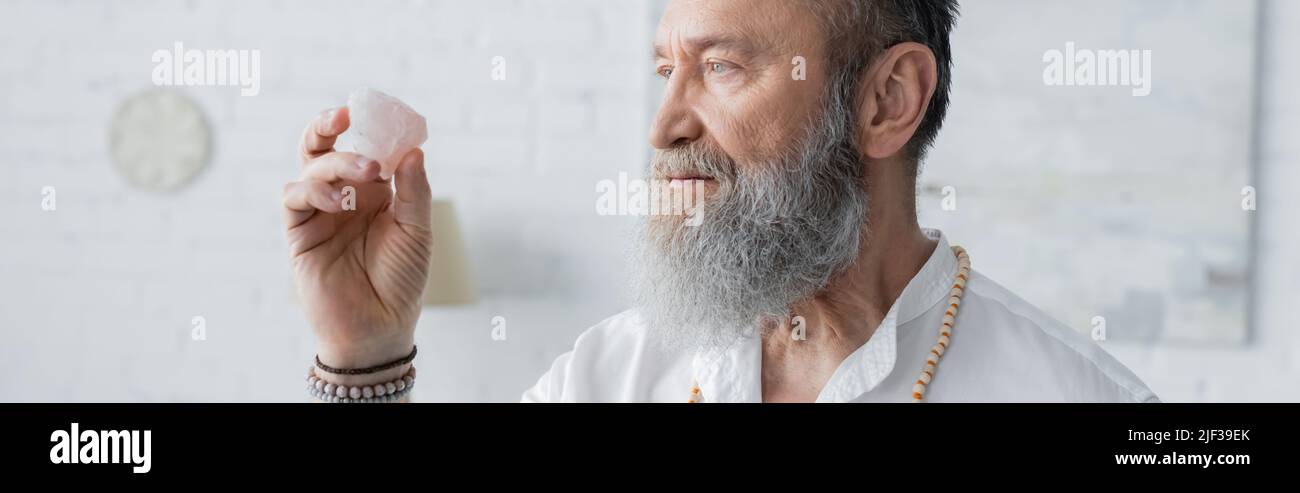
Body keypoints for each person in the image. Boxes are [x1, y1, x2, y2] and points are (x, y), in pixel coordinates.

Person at [281, 0, 1158, 403]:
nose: (663, 124)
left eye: (722, 67)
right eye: (666, 70)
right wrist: (364, 356)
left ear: (888, 101)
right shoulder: (608, 378)